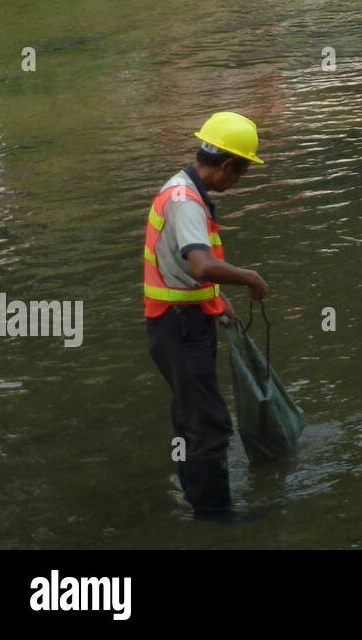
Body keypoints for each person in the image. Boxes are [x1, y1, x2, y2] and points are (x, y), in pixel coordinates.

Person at [143, 111, 269, 514]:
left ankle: (192, 498)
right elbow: (199, 264)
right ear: (228, 166)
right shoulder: (186, 202)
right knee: (209, 425)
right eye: (241, 174)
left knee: (188, 417)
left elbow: (180, 271)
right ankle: (216, 519)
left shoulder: (179, 189)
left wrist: (215, 300)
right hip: (180, 329)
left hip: (173, 322)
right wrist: (249, 276)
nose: (238, 182)